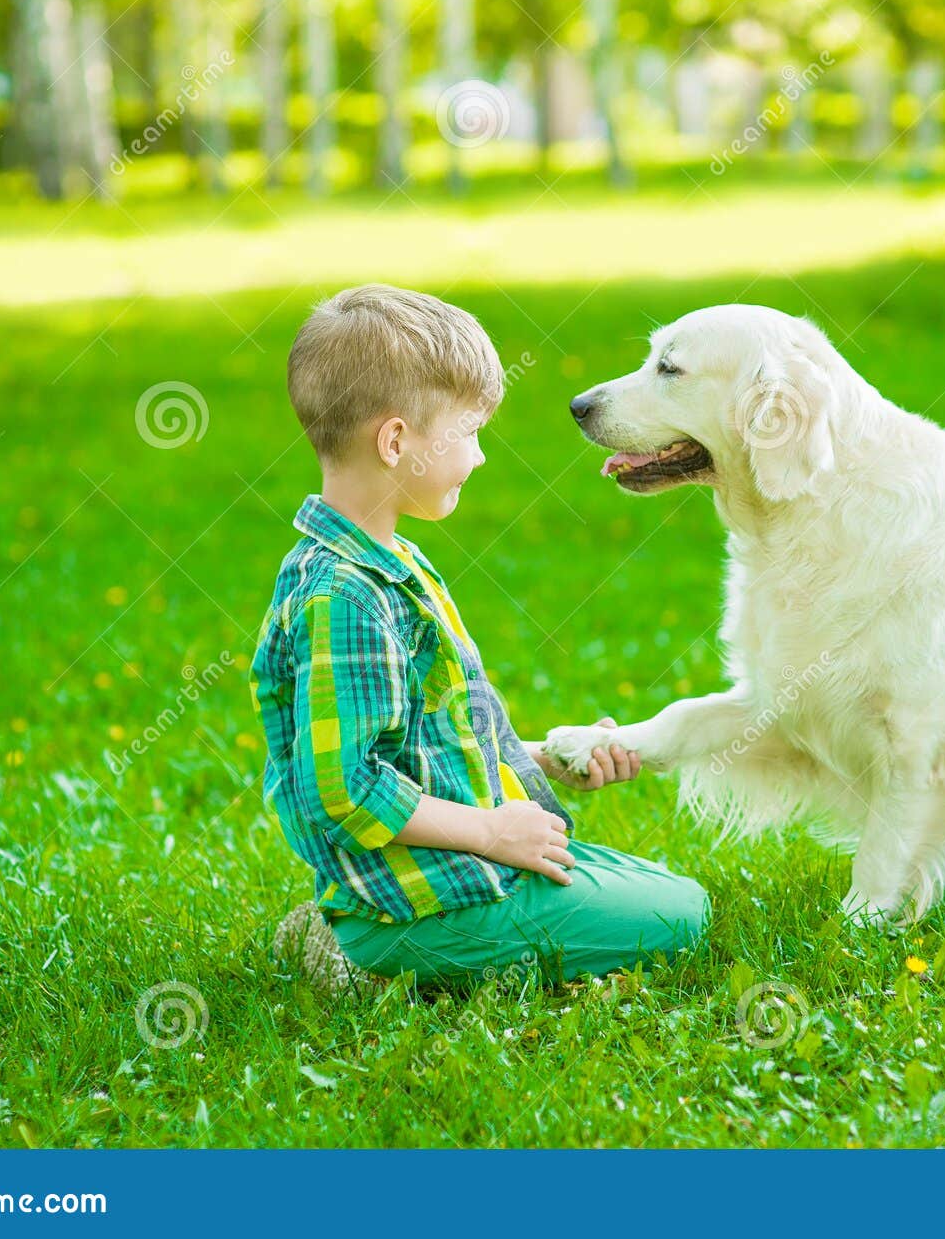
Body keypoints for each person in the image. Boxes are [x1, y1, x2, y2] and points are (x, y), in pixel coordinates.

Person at [250, 284, 709, 990]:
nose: (483, 456)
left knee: (654, 885)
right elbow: (343, 789)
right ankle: (361, 946)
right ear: (395, 441)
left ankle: (352, 929)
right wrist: (493, 833)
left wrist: (546, 760)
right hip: (422, 903)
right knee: (683, 915)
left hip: (457, 868)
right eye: (468, 433)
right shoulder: (343, 597)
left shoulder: (389, 563)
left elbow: (426, 744)